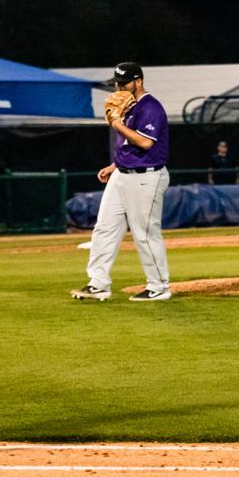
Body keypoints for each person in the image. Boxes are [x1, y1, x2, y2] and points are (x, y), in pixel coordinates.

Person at [72, 61, 171, 302]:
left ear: (139, 81)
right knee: (104, 228)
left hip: (147, 176)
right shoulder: (126, 106)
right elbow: (127, 145)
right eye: (117, 83)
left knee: (145, 233)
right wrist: (115, 165)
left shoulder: (151, 107)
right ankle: (98, 284)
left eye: (124, 83)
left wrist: (116, 123)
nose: (119, 88)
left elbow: (145, 143)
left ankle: (158, 287)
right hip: (122, 174)